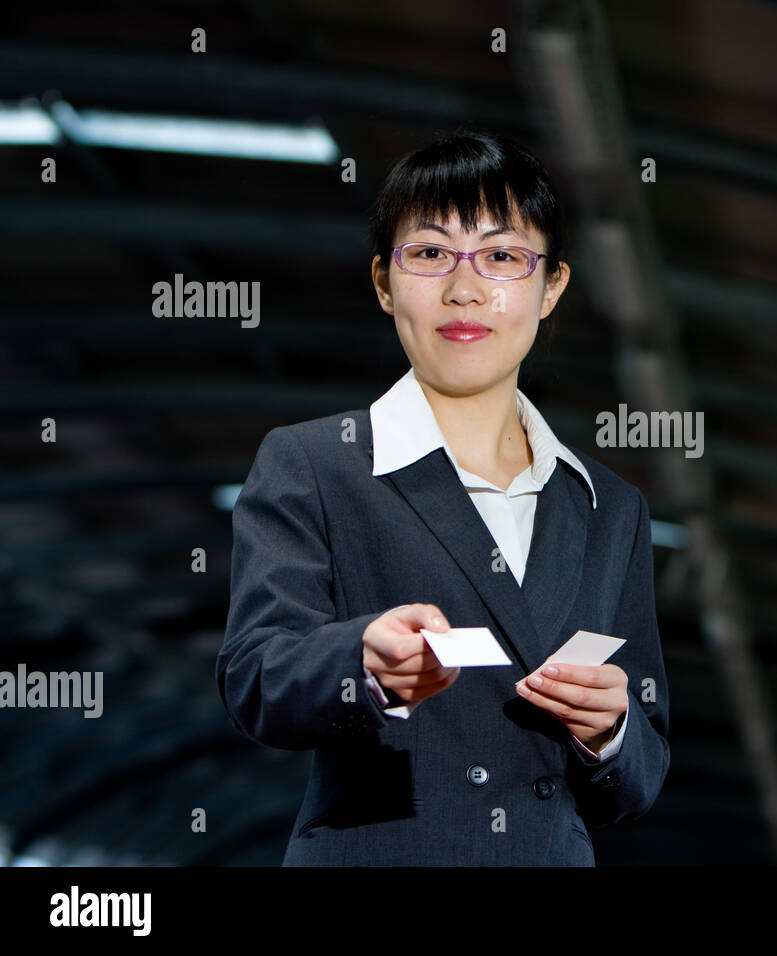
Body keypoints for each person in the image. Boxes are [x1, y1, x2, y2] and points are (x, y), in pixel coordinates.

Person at [215, 127, 670, 865]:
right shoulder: (315, 465)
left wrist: (610, 729)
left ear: (550, 286)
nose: (464, 288)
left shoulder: (609, 509)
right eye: (429, 254)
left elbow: (640, 776)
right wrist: (359, 661)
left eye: (501, 256)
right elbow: (256, 676)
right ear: (384, 282)